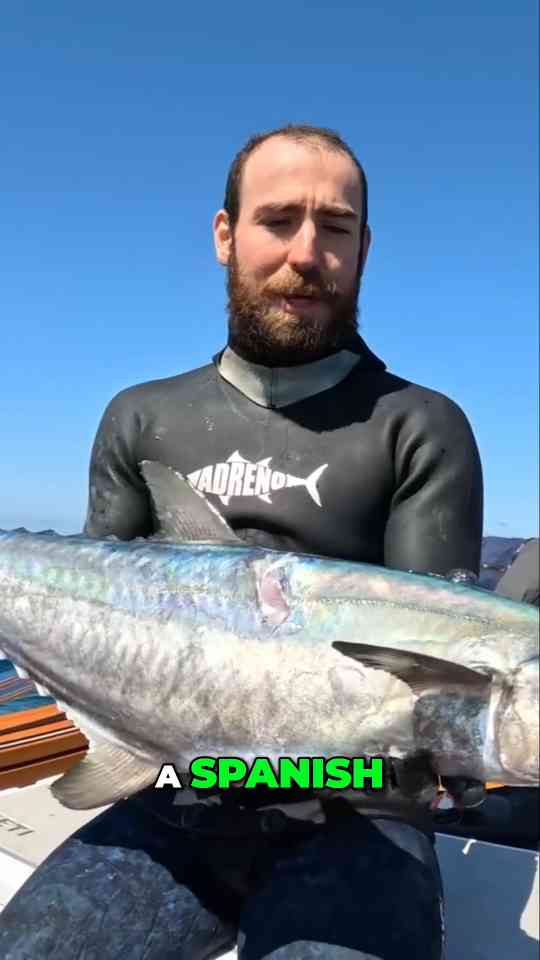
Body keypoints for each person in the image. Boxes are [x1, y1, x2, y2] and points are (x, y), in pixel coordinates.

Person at [0, 124, 484, 960]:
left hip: (361, 819)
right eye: (279, 220)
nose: (307, 252)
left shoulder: (420, 427)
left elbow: (424, 705)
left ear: (363, 248)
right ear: (226, 234)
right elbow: (100, 628)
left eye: (335, 227)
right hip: (180, 799)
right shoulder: (141, 416)